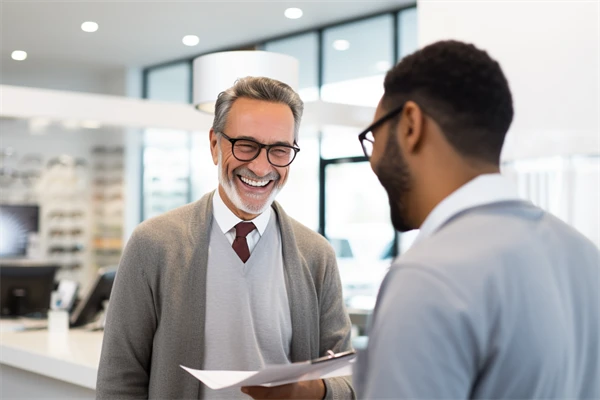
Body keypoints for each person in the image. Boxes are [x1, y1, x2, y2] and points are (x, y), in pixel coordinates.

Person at [354, 40, 600, 399]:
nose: (373, 157)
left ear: (410, 124)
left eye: (374, 136)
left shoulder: (428, 276)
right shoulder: (584, 255)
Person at [96, 77, 354, 400]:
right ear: (215, 144)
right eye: (246, 146)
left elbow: (348, 380)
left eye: (279, 150)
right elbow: (119, 380)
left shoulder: (317, 256)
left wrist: (316, 391)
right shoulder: (153, 245)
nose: (261, 167)